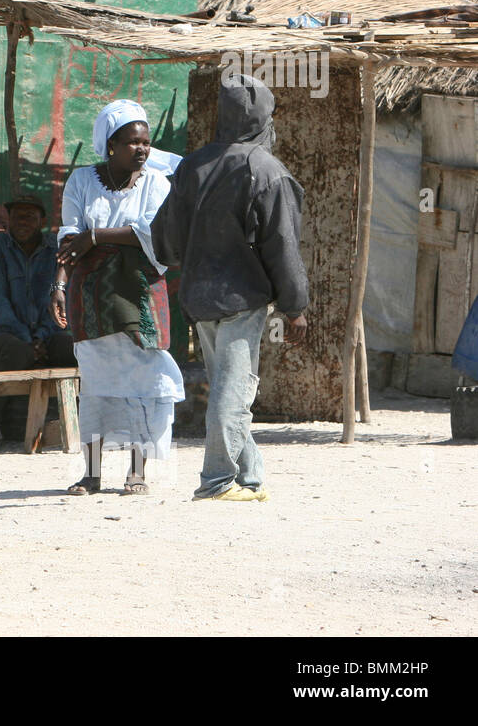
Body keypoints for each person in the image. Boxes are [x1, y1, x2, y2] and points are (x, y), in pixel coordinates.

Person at [152, 73, 309, 502]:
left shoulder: (192, 166)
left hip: (198, 297)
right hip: (241, 298)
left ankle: (250, 477)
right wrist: (295, 307)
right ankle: (217, 481)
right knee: (234, 390)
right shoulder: (266, 170)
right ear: (263, 118)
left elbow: (164, 236)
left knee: (229, 383)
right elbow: (283, 246)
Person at [52, 100, 184, 497]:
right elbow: (69, 237)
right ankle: (91, 474)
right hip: (91, 295)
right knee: (96, 382)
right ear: (111, 145)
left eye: (145, 143)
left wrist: (98, 236)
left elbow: (152, 233)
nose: (141, 150)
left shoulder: (156, 185)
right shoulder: (81, 181)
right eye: (132, 143)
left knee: (143, 381)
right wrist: (58, 285)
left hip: (139, 292)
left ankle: (137, 472)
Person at [0, 192, 76, 450]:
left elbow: (61, 302)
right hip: (5, 334)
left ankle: (77, 425)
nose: (23, 222)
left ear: (42, 220)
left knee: (72, 349)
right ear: (8, 219)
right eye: (17, 216)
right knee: (14, 353)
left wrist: (41, 337)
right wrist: (28, 341)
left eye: (30, 216)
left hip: (47, 335)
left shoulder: (55, 250)